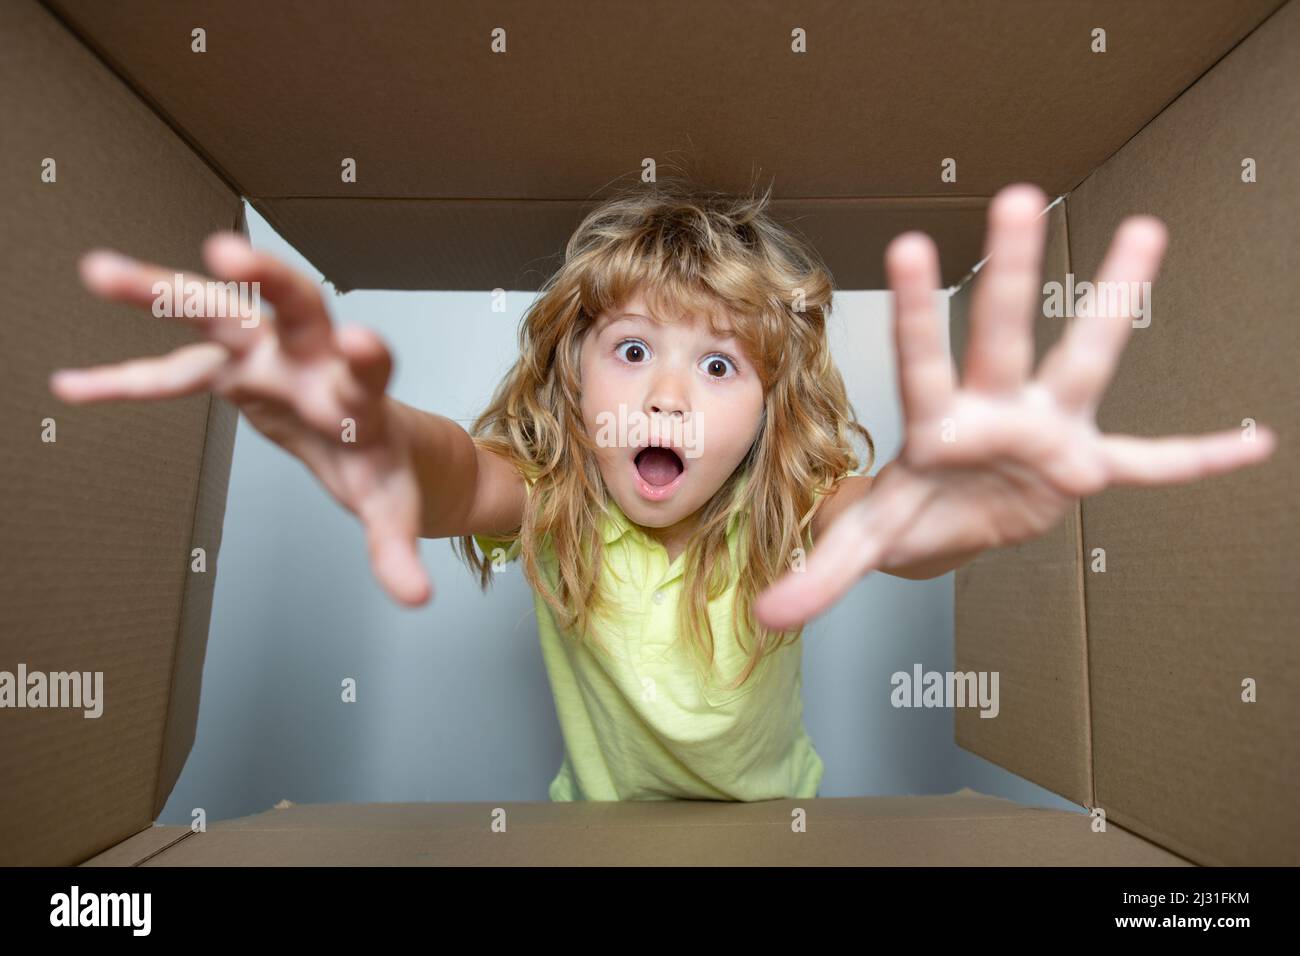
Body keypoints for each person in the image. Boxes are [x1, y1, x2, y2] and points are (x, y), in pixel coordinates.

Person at [48, 179, 1277, 802]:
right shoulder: (551, 497)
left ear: (769, 407)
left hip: (785, 834)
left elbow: (886, 524)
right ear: (569, 375)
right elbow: (451, 473)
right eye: (632, 347)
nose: (669, 396)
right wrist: (369, 430)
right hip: (592, 838)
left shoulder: (789, 510)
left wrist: (946, 496)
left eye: (718, 360)